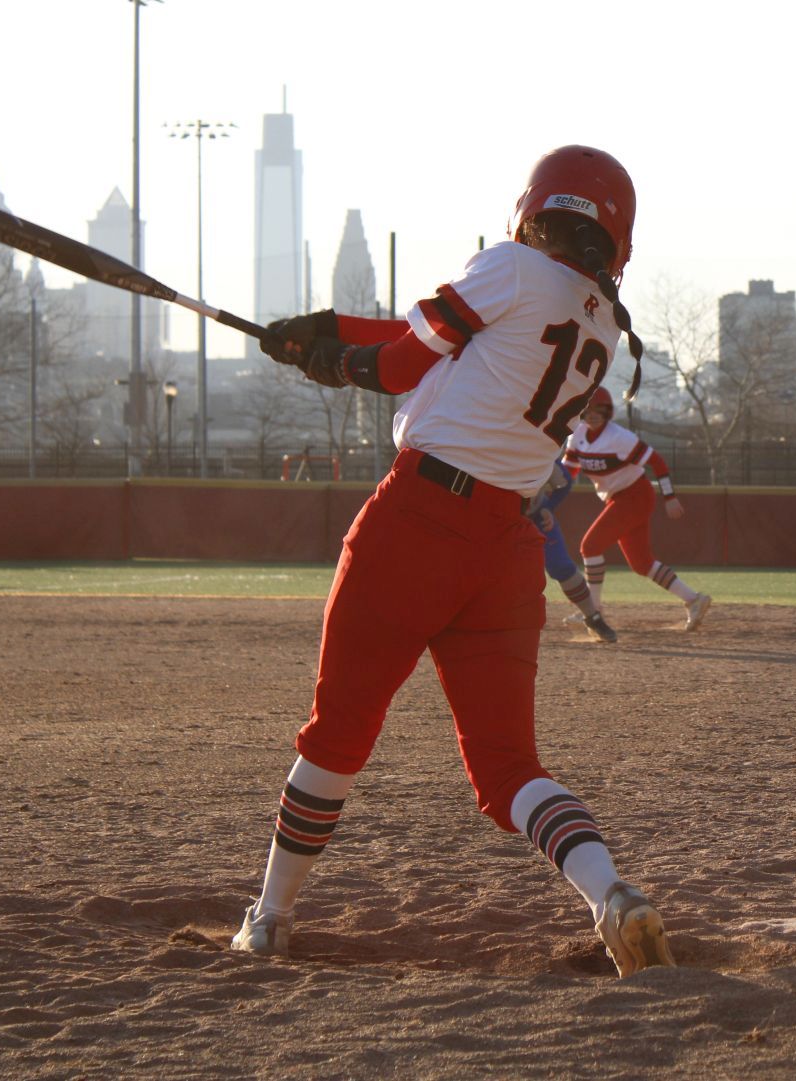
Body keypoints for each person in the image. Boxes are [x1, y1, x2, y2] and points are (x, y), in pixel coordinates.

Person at [228, 145, 674, 978]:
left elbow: (401, 362)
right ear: (615, 242)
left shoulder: (506, 265)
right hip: (506, 549)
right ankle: (611, 893)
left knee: (337, 733)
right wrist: (322, 336)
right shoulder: (603, 327)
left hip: (417, 522)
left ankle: (270, 917)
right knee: (510, 769)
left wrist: (342, 363)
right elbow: (435, 342)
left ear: (532, 208)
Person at [562, 386, 711, 631]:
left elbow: (657, 461)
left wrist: (670, 496)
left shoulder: (619, 437)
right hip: (619, 499)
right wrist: (549, 489)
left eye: (599, 409)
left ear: (608, 412)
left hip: (634, 496)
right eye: (588, 409)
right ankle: (694, 599)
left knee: (590, 546)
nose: (593, 414)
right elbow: (569, 472)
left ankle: (593, 610)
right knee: (642, 564)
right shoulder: (576, 435)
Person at [529, 459, 618, 643]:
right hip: (500, 519)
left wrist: (547, 507)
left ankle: (593, 617)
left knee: (561, 567)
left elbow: (564, 482)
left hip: (537, 517)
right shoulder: (491, 445)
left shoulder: (537, 447)